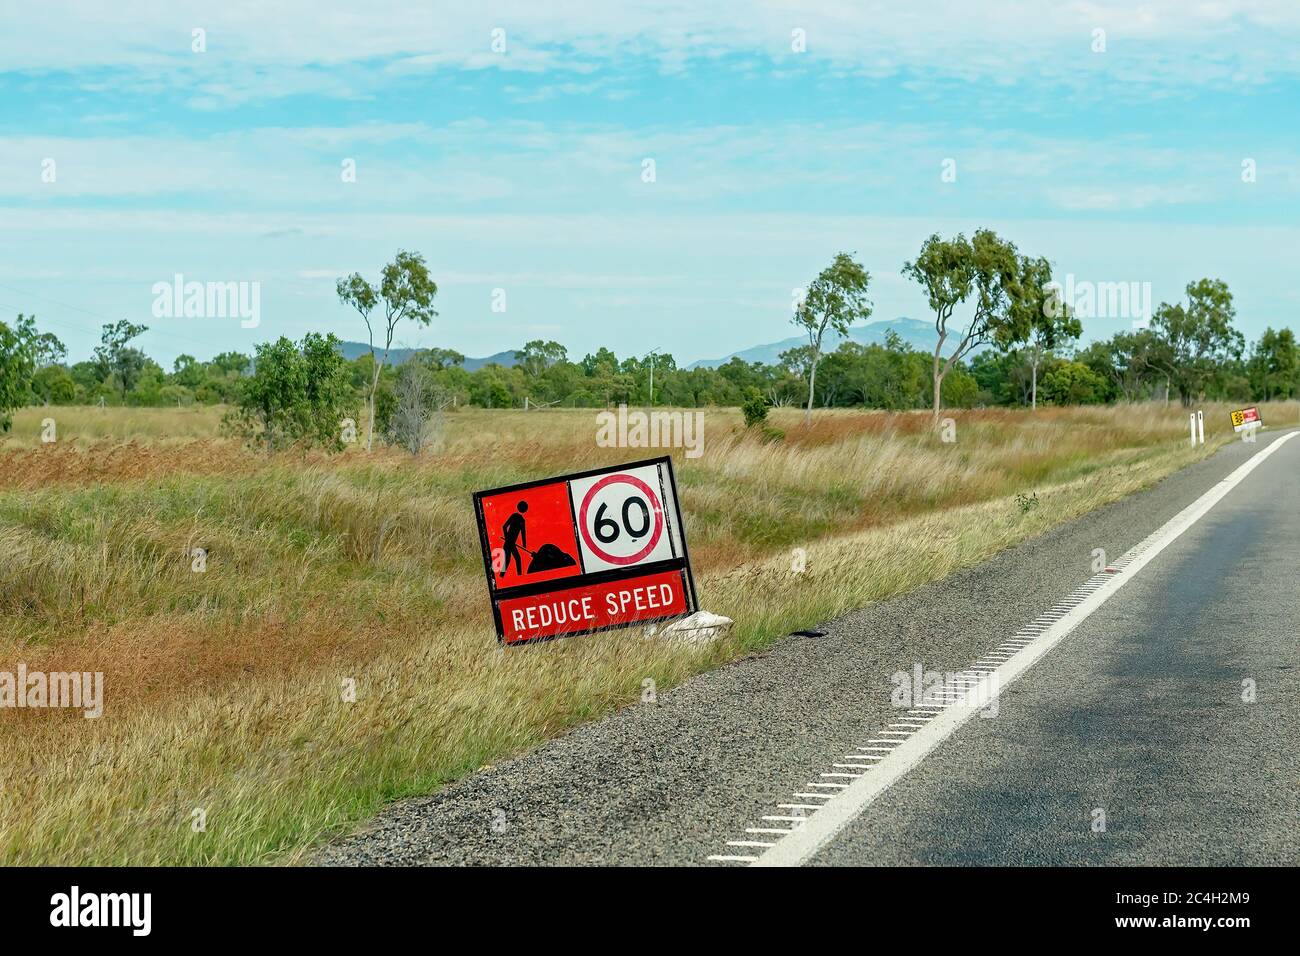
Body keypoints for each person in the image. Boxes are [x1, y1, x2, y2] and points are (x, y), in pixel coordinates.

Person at [500, 501, 528, 577]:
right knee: (510, 560)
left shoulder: (521, 520)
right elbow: (504, 526)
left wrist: (524, 544)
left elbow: (523, 533)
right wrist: (506, 538)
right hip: (509, 543)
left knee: (517, 559)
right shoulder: (515, 517)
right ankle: (502, 576)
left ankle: (519, 576)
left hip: (511, 543)